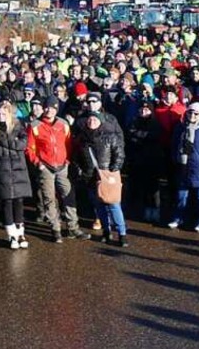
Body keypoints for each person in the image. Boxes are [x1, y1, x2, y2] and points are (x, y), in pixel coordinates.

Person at [25, 96, 91, 243]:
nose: (49, 110)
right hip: (45, 166)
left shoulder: (63, 124)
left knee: (68, 194)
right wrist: (38, 163)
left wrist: (67, 160)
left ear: (57, 109)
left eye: (53, 108)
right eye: (47, 107)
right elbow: (29, 148)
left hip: (62, 166)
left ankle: (73, 227)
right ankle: (55, 228)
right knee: (49, 199)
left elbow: (68, 144)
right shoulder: (34, 126)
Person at [74, 110, 129, 246]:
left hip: (108, 175)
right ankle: (106, 231)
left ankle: (122, 234)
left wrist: (113, 169)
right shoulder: (82, 138)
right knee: (99, 206)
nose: (92, 122)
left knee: (114, 204)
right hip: (90, 176)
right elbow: (76, 157)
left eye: (95, 119)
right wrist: (80, 171)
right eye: (90, 119)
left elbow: (119, 154)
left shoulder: (110, 136)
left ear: (101, 122)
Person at [168, 102, 199, 231]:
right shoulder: (180, 127)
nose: (192, 115)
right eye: (190, 112)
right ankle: (178, 217)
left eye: (196, 113)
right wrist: (176, 159)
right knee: (181, 195)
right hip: (183, 166)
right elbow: (174, 145)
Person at [0, 101, 31, 249]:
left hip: (19, 169)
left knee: (18, 201)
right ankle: (11, 234)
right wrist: (12, 148)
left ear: (9, 114)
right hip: (3, 169)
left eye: (4, 113)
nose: (1, 116)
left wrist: (7, 143)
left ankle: (20, 233)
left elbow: (23, 144)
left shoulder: (18, 125)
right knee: (7, 201)